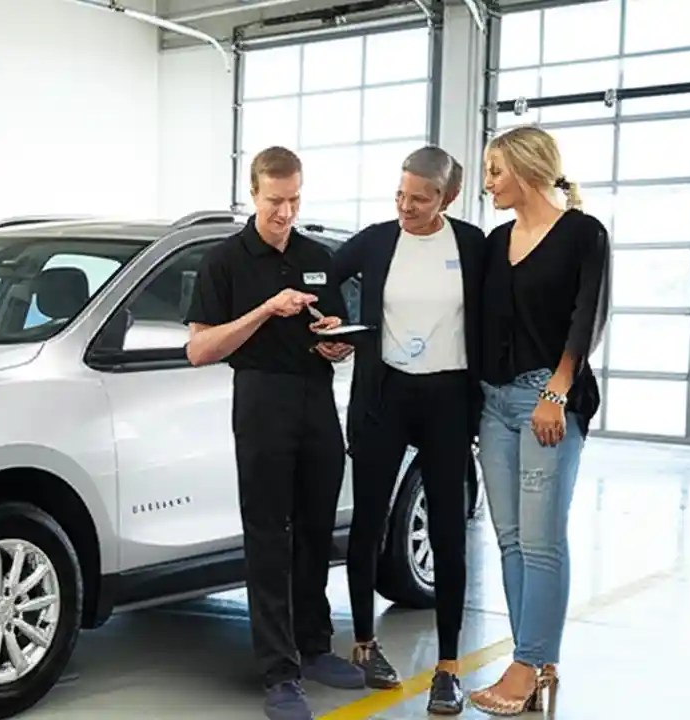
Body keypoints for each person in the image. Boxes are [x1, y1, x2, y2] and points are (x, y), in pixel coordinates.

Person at [184, 146, 366, 720]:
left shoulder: (317, 256)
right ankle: (278, 673)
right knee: (268, 535)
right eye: (274, 202)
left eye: (294, 200)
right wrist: (264, 310)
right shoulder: (225, 262)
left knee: (317, 529)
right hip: (261, 399)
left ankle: (313, 645)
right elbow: (199, 349)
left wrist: (336, 340)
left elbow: (334, 330)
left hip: (316, 398)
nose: (285, 212)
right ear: (252, 194)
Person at [325, 145, 487, 715]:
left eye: (420, 199)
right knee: (368, 521)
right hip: (384, 394)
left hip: (448, 398)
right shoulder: (375, 240)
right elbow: (327, 275)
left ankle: (447, 666)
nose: (407, 207)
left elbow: (496, 311)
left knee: (447, 527)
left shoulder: (470, 245)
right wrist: (333, 328)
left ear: (447, 196)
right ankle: (365, 646)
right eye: (400, 195)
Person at [467, 126, 610, 715]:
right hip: (495, 403)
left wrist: (557, 389)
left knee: (542, 541)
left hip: (546, 400)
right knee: (510, 540)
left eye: (494, 170)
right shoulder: (498, 240)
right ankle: (535, 662)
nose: (488, 182)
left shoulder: (583, 233)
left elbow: (588, 315)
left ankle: (527, 666)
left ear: (525, 168)